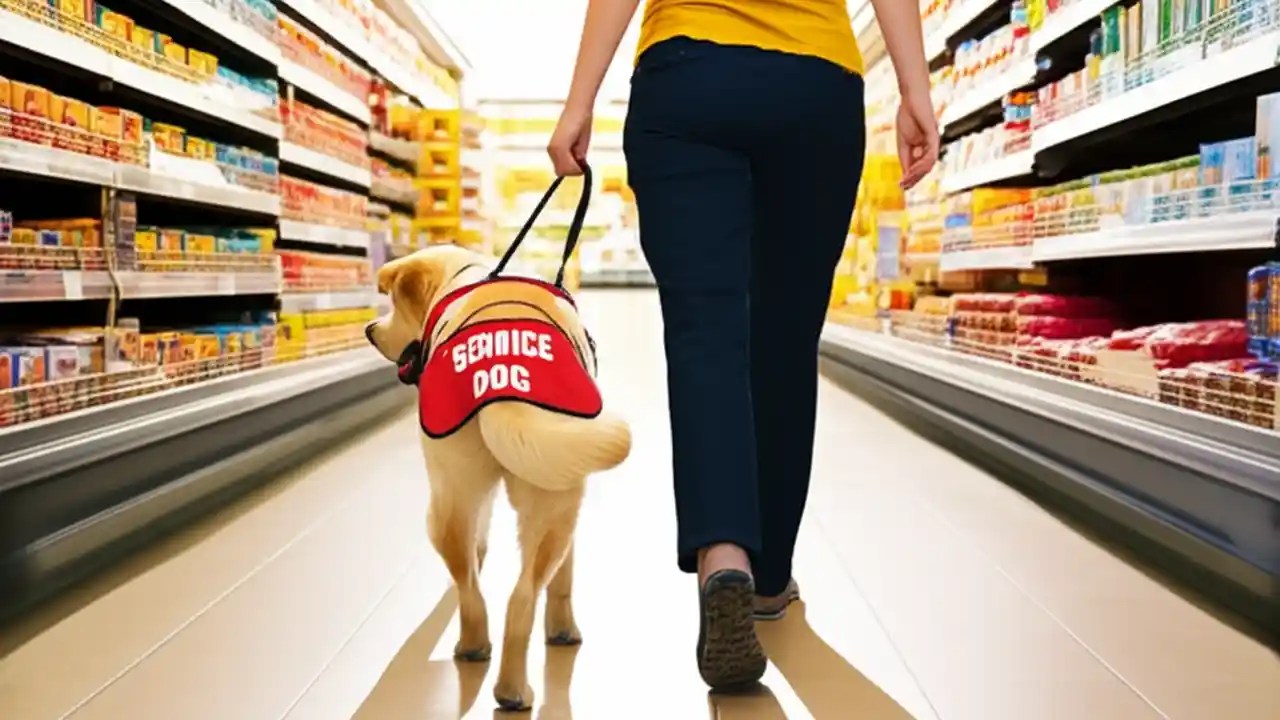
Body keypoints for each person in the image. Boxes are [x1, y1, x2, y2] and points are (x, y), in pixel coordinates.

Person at [549, 0, 939, 692]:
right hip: (814, 85)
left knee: (706, 332)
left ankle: (723, 554)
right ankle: (767, 580)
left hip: (687, 76)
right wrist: (915, 90)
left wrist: (578, 100)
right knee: (786, 337)